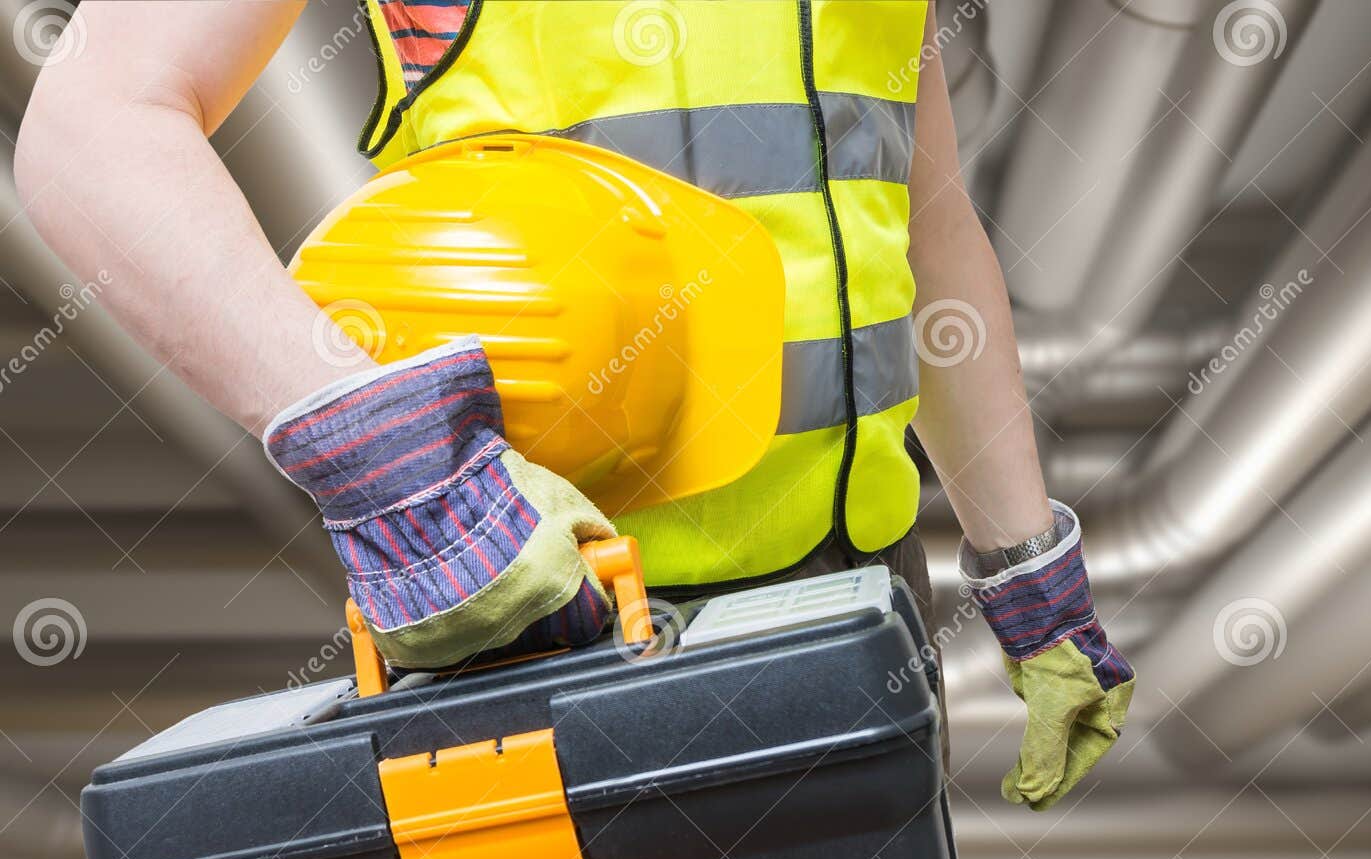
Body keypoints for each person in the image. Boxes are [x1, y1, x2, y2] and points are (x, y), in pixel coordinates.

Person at [17, 0, 1132, 811]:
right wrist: (394, 471)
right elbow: (93, 128)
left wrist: (1025, 562)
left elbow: (921, 222)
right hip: (552, 619)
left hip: (860, 608)